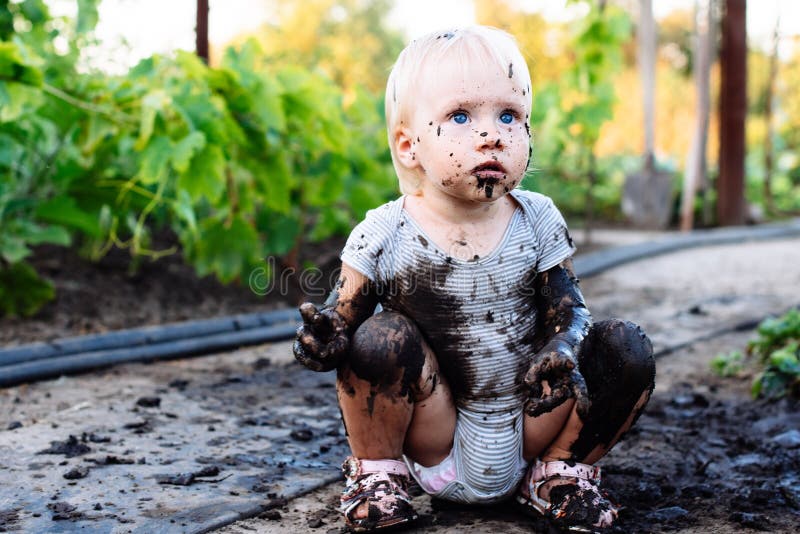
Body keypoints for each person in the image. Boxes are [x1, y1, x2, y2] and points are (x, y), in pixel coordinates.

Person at [293, 26, 655, 533]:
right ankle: (378, 475)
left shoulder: (537, 218)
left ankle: (562, 473)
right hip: (434, 432)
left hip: (533, 420)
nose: (492, 134)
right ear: (408, 145)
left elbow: (570, 309)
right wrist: (323, 338)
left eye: (510, 116)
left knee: (624, 347)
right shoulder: (385, 230)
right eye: (461, 116)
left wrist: (566, 345)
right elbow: (342, 318)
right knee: (378, 338)